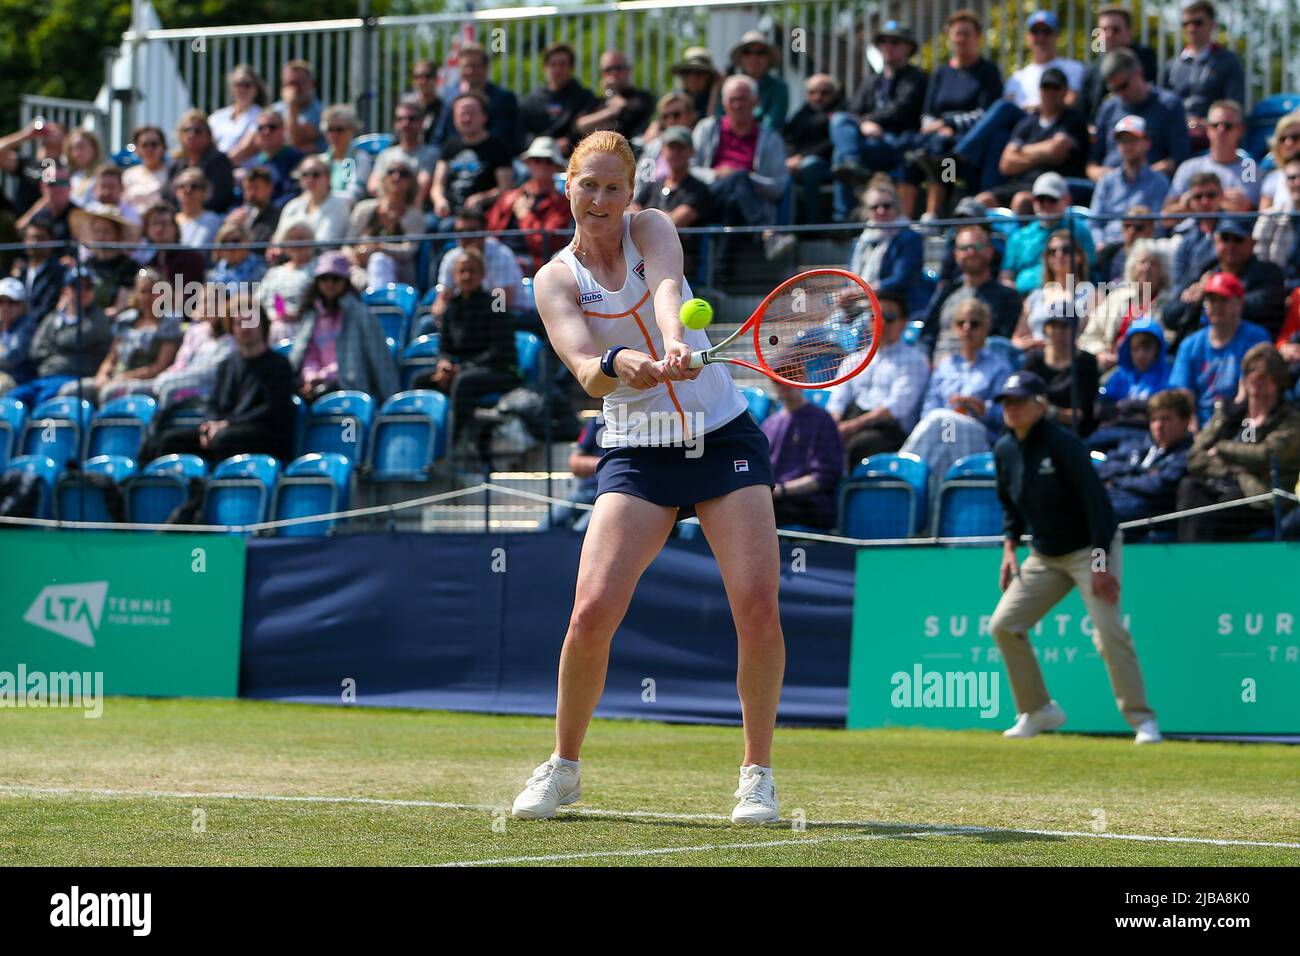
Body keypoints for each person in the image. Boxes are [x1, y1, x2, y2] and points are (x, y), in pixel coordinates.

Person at [515, 130, 785, 824]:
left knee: (757, 605)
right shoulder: (554, 279)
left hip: (720, 434)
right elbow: (584, 369)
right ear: (567, 188)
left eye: (614, 187)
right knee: (591, 611)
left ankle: (757, 776)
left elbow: (668, 290)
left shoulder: (653, 228)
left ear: (631, 193)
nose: (600, 200)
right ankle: (563, 766)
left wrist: (672, 343)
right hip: (638, 449)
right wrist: (618, 364)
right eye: (588, 185)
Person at [990, 370, 1161, 743]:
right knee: (1004, 625)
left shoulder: (1063, 444)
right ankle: (1038, 710)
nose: (1012, 408)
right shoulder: (1003, 449)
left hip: (1090, 548)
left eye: (1020, 401)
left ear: (1040, 405)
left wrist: (1100, 563)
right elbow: (1009, 506)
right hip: (1045, 554)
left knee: (1108, 632)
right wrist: (1009, 547)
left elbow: (1097, 505)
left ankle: (1142, 720)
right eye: (1006, 402)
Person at [149, 290, 297, 464]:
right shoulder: (227, 365)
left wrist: (227, 424)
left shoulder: (279, 364)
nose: (244, 327)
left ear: (262, 324)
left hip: (264, 434)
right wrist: (210, 424)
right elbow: (214, 403)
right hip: (226, 429)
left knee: (223, 439)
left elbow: (272, 410)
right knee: (169, 441)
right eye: (238, 323)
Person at [952, 12, 1084, 197]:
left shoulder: (1073, 68)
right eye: (1035, 31)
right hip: (1023, 128)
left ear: (1056, 36)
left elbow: (1070, 102)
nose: (1040, 37)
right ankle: (986, 199)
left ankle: (960, 155)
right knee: (999, 136)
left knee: (1003, 107)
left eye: (1046, 32)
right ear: (1028, 37)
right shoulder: (1017, 77)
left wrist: (1039, 108)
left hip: (1050, 123)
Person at [1177, 343, 1300, 540]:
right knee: (1189, 488)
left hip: (1259, 499)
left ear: (1278, 379)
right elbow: (1195, 457)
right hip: (1221, 486)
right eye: (1251, 371)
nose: (1255, 378)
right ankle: (1189, 558)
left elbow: (1267, 455)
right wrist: (1233, 469)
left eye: (1264, 374)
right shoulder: (1229, 414)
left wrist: (1221, 448)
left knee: (1210, 514)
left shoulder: (1290, 419)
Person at [902, 299, 1014, 493]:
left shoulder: (999, 366)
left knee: (942, 421)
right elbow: (929, 407)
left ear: (986, 327)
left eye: (974, 323)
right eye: (961, 323)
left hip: (980, 435)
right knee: (943, 429)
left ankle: (901, 476)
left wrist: (982, 409)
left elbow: (1006, 412)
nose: (967, 328)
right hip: (946, 433)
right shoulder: (945, 365)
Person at [905, 8, 1002, 223]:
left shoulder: (988, 72)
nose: (961, 39)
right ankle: (903, 221)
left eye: (967, 34)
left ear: (978, 37)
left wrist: (950, 124)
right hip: (937, 136)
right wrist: (938, 126)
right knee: (910, 160)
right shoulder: (940, 73)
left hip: (966, 142)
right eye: (957, 33)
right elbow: (928, 112)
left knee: (946, 160)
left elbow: (986, 114)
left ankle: (936, 213)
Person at [411, 246, 520, 436]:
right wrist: (444, 364)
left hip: (498, 371)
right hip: (463, 370)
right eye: (462, 271)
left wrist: (460, 369)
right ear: (454, 276)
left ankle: (452, 441)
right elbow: (445, 348)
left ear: (482, 274)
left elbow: (500, 352)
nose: (466, 276)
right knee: (420, 380)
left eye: (472, 271)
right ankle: (424, 439)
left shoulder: (496, 305)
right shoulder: (451, 308)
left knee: (462, 381)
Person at [690, 74, 794, 262]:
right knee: (738, 179)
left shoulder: (770, 138)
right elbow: (690, 169)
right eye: (733, 99)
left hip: (744, 203)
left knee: (734, 199)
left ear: (756, 102)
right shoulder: (706, 129)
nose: (738, 105)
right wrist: (715, 174)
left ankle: (721, 275)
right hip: (708, 196)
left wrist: (748, 179)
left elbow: (778, 186)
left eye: (743, 99)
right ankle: (768, 235)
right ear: (724, 103)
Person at [830, 21, 928, 221]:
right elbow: (853, 111)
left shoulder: (916, 78)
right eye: (883, 42)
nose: (888, 46)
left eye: (895, 42)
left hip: (895, 143)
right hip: (868, 142)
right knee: (840, 121)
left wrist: (869, 121)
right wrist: (864, 124)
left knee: (840, 154)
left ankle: (842, 217)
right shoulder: (871, 80)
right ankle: (853, 166)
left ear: (909, 47)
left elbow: (901, 110)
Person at [827, 289, 929, 465]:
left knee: (857, 446)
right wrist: (832, 426)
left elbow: (895, 409)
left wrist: (851, 427)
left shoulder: (914, 360)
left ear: (903, 323)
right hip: (852, 421)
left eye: (889, 318)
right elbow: (838, 401)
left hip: (889, 432)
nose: (881, 323)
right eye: (875, 317)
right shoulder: (854, 360)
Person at [975, 66, 1089, 214]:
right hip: (1022, 184)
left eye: (1055, 88)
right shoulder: (1027, 123)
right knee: (981, 201)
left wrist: (1021, 151)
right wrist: (1044, 152)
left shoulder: (1073, 119)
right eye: (1046, 87)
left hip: (1055, 185)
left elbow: (1056, 151)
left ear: (1065, 91)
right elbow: (1006, 164)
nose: (1050, 92)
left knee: (1021, 200)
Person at [59, 267, 181, 404]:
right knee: (70, 391)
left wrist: (125, 377)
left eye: (153, 291)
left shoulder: (169, 323)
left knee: (109, 393)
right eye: (143, 291)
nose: (147, 297)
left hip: (145, 381)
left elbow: (160, 366)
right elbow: (111, 358)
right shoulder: (126, 320)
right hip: (116, 378)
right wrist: (102, 375)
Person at [287, 251, 397, 403]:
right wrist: (311, 377)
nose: (329, 284)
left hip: (347, 386)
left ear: (345, 281)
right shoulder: (310, 315)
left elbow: (379, 362)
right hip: (313, 383)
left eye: (335, 278)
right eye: (324, 278)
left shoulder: (361, 315)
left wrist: (389, 400)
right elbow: (308, 354)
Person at [1162, 217, 1286, 346]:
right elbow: (1169, 316)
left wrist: (1211, 292)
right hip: (1199, 348)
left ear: (1252, 243)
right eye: (1225, 238)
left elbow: (1260, 308)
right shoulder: (1206, 269)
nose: (1231, 246)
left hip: (1246, 347)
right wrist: (1193, 302)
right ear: (1215, 241)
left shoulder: (1268, 272)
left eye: (1238, 239)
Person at [1169, 271, 1272, 424]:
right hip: (1201, 425)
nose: (1216, 306)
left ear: (1239, 304)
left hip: (1240, 420)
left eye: (1223, 300)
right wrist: (1192, 426)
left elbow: (1249, 394)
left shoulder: (1256, 338)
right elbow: (1183, 395)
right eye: (1211, 300)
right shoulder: (1189, 344)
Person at [10, 270, 112, 407]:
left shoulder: (98, 318)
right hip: (45, 377)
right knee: (13, 398)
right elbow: (36, 349)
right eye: (76, 286)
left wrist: (56, 344)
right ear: (65, 290)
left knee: (44, 399)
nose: (82, 291)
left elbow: (77, 339)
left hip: (75, 377)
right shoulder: (53, 318)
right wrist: (61, 350)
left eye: (87, 287)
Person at [921, 222, 1022, 361]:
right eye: (964, 248)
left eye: (977, 247)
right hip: (939, 367)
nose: (971, 252)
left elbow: (1003, 341)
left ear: (990, 251)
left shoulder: (1007, 296)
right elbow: (927, 335)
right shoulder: (947, 291)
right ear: (956, 254)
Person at [1095, 388, 1194, 529]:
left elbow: (1157, 485)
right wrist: (1139, 470)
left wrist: (1117, 480)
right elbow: (1104, 468)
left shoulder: (1188, 453)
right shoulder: (1137, 443)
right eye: (1154, 420)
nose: (1158, 426)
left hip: (1144, 514)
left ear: (1185, 421)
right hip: (1112, 497)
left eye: (1166, 419)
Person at [1088, 49, 1189, 183]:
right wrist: (1101, 174)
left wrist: (1140, 176)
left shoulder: (1169, 105)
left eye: (1123, 86)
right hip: (1109, 186)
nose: (1120, 93)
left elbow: (1179, 158)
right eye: (1114, 89)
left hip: (1152, 186)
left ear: (1138, 73)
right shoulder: (1108, 108)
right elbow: (1092, 163)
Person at [631, 127, 713, 281]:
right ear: (663, 151)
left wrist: (642, 216)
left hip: (681, 263)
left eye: (680, 148)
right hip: (643, 257)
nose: (675, 153)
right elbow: (630, 208)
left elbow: (673, 222)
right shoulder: (653, 185)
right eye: (671, 147)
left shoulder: (698, 189)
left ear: (691, 152)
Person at [762, 378, 843, 530]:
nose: (783, 383)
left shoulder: (822, 420)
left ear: (802, 378)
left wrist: (782, 490)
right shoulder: (769, 424)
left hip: (810, 506)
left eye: (791, 377)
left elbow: (824, 477)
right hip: (774, 503)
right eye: (777, 379)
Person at [1162, 1, 1245, 149]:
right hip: (1177, 135)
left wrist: (1206, 123)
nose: (1191, 28)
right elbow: (1165, 105)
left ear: (1212, 25)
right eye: (1186, 23)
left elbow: (1233, 104)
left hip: (1214, 135)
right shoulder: (1172, 65)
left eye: (1198, 22)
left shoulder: (1228, 61)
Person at [428, 92, 515, 231]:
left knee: (446, 228)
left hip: (481, 215)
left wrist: (482, 198)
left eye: (472, 113)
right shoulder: (449, 146)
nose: (466, 118)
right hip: (450, 212)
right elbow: (437, 185)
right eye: (462, 114)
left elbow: (506, 188)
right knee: (429, 224)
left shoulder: (498, 148)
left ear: (484, 117)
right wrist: (439, 201)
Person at [487, 137, 573, 274]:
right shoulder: (508, 198)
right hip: (499, 260)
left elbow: (546, 244)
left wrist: (525, 216)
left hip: (534, 266)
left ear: (556, 167)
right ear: (529, 163)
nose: (542, 165)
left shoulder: (562, 204)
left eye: (548, 161)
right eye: (537, 160)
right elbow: (490, 234)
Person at [1000, 172, 1094, 295]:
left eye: (1051, 199)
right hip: (1023, 298)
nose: (1045, 205)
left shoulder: (1079, 231)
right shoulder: (1018, 237)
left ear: (1067, 200)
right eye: (1040, 200)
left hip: (1068, 295)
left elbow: (1088, 270)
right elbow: (1006, 276)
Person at [1080, 243, 1169, 371]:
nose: (1147, 268)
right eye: (1142, 262)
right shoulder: (1117, 297)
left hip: (1147, 369)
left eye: (1153, 264)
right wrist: (1100, 353)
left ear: (1162, 271)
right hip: (1107, 365)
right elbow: (1089, 335)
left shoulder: (1167, 303)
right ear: (1133, 267)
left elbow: (1167, 340)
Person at [1088, 116, 1170, 249]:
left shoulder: (1159, 182)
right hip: (1109, 247)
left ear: (1147, 142)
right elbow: (1095, 223)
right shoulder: (1106, 181)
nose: (1127, 145)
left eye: (1133, 140)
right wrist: (1099, 243)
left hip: (1144, 248)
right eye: (1122, 141)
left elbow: (1158, 226)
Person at [1163, 100, 1257, 213]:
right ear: (1207, 129)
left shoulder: (1249, 167)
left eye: (1228, 126)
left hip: (1233, 224)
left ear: (1240, 130)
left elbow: (1256, 210)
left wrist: (1248, 206)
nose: (1221, 130)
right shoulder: (1188, 167)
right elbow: (1165, 216)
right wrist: (1187, 205)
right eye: (1215, 125)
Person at [848, 180, 926, 316]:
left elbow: (901, 279)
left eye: (886, 206)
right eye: (874, 207)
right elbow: (850, 279)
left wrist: (863, 291)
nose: (881, 211)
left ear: (897, 207)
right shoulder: (860, 242)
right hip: (860, 309)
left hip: (897, 312)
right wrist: (847, 296)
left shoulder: (910, 238)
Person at [346, 155, 425, 289]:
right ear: (383, 178)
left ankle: (379, 299)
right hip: (359, 270)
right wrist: (353, 256)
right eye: (391, 172)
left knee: (379, 261)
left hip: (399, 276)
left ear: (411, 182)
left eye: (403, 174)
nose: (396, 177)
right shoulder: (364, 209)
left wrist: (378, 248)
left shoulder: (415, 216)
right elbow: (347, 244)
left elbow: (409, 250)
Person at [1011, 230, 1095, 352]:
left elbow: (1095, 336)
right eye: (1052, 251)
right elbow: (1016, 339)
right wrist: (1027, 344)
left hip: (1074, 356)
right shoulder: (1035, 296)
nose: (1059, 254)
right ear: (1047, 259)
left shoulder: (1092, 294)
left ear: (1079, 257)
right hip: (1036, 356)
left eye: (1066, 250)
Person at [429, 42, 521, 151]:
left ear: (486, 67)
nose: (470, 71)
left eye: (475, 66)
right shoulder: (450, 97)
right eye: (466, 66)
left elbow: (507, 135)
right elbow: (441, 136)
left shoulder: (503, 99)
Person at [1020, 314, 1101, 436]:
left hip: (1074, 434)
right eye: (1053, 326)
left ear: (1075, 330)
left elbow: (1079, 416)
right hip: (1036, 429)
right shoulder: (1033, 360)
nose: (1057, 332)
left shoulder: (1087, 362)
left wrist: (1047, 410)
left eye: (1063, 327)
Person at [430, 208, 524, 313]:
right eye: (460, 231)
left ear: (484, 231)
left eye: (471, 231)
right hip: (472, 315)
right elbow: (443, 299)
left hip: (515, 315)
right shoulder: (451, 258)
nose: (465, 236)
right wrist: (439, 312)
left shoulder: (502, 255)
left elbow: (502, 305)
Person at [1080, 5, 1159, 123]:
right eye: (1103, 30)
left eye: (1115, 30)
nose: (1109, 35)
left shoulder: (1144, 58)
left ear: (1129, 32)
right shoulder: (1092, 70)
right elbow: (1085, 111)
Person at [518, 42, 598, 158]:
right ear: (545, 67)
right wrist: (543, 146)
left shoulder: (585, 98)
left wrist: (571, 142)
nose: (557, 69)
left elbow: (590, 132)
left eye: (562, 64)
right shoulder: (530, 102)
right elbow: (521, 135)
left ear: (571, 67)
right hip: (536, 161)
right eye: (553, 64)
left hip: (574, 159)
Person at [782, 75, 844, 224]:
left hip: (827, 164)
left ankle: (812, 223)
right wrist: (790, 158)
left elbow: (832, 143)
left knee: (811, 165)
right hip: (796, 162)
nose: (818, 96)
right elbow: (787, 140)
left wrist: (802, 156)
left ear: (834, 94)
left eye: (824, 92)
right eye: (812, 92)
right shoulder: (800, 115)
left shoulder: (840, 114)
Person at [67, 203, 137, 314]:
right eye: (97, 231)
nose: (101, 237)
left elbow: (120, 306)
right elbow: (68, 301)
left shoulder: (130, 268)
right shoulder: (84, 265)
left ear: (118, 234)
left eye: (106, 231)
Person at [367, 98, 439, 203]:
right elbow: (372, 187)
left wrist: (391, 188)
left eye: (411, 119)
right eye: (400, 119)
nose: (405, 123)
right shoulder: (386, 154)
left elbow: (422, 188)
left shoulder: (431, 154)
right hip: (385, 206)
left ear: (422, 122)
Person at [574, 50, 655, 141]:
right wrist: (611, 112)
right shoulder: (596, 101)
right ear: (602, 74)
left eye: (618, 68)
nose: (614, 73)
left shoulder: (642, 97)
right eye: (608, 69)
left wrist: (612, 93)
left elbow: (630, 116)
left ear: (628, 71)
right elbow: (580, 125)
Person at [164, 111, 235, 214]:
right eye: (186, 130)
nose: (191, 134)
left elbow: (219, 199)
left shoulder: (219, 161)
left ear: (208, 135)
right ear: (180, 134)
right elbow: (168, 198)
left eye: (197, 131)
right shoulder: (175, 164)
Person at [720, 31, 789, 133]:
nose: (754, 58)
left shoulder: (779, 88)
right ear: (740, 58)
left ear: (768, 58)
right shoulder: (730, 87)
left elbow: (771, 124)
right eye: (747, 52)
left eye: (760, 53)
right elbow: (720, 119)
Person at [259, 223, 317, 341]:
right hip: (271, 325)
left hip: (304, 327)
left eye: (301, 238)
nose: (297, 243)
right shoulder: (274, 272)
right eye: (292, 239)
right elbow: (259, 300)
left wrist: (296, 315)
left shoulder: (319, 269)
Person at [274, 156, 350, 244]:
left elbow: (326, 242)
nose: (310, 179)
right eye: (305, 174)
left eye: (316, 174)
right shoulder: (292, 206)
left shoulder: (338, 204)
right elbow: (278, 239)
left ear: (328, 177)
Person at [550, 414, 605, 531]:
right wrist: (610, 464)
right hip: (587, 491)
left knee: (582, 530)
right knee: (548, 521)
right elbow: (574, 463)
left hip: (612, 492)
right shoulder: (598, 421)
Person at [209, 64, 268, 164]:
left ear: (255, 88)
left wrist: (217, 165)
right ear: (231, 87)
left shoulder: (261, 116)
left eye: (247, 85)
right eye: (238, 84)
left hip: (243, 171)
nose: (242, 89)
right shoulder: (217, 116)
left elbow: (246, 148)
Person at [1252, 156, 1300, 276]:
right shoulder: (1270, 217)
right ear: (1285, 183)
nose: (1297, 183)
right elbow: (1260, 257)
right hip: (1279, 282)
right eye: (1292, 178)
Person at [11, 219, 64, 324]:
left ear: (51, 241)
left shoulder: (58, 272)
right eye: (31, 238)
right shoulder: (20, 271)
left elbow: (46, 308)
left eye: (40, 238)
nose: (35, 242)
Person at [269, 60, 326, 155]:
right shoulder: (275, 110)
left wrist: (292, 105)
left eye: (300, 82)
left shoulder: (321, 112)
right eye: (291, 83)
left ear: (311, 84)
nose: (295, 88)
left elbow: (296, 139)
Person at [320, 103, 371, 205]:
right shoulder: (322, 160)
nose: (334, 134)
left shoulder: (359, 158)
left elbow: (353, 196)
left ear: (352, 130)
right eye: (330, 129)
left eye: (340, 129)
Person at [1093, 204, 1156, 285]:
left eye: (1138, 227)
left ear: (1151, 229)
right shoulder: (1110, 254)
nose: (1131, 231)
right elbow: (1099, 286)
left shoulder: (1157, 258)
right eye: (1127, 225)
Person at [251, 111, 305, 204]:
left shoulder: (297, 159)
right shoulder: (257, 163)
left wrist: (267, 209)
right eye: (261, 128)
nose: (266, 132)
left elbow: (294, 195)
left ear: (283, 130)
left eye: (272, 127)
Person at [222, 165, 282, 244]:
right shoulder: (238, 215)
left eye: (256, 188)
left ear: (269, 188)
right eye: (248, 188)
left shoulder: (278, 215)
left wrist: (243, 230)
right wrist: (229, 226)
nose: (251, 193)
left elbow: (261, 243)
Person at [669, 48, 723, 131]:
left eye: (699, 72)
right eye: (687, 72)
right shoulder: (678, 97)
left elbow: (710, 126)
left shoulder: (721, 100)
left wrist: (715, 90)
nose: (692, 77)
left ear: (709, 76)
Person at [121, 126, 171, 216]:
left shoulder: (171, 172)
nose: (149, 149)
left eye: (154, 144)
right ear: (137, 149)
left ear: (163, 147)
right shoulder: (128, 175)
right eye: (144, 145)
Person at [0, 277, 38, 394]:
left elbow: (12, 358)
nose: (5, 307)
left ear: (23, 305)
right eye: (1, 302)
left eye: (12, 302)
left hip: (20, 380)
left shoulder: (27, 326)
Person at [171, 169, 224, 252]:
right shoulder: (170, 220)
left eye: (193, 186)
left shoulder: (212, 220)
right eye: (182, 185)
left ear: (205, 191)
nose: (187, 190)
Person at [1259, 110, 1300, 212]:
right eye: (1283, 138)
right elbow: (1263, 217)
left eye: (1295, 137)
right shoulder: (1272, 179)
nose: (1288, 142)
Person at [207, 222, 267, 289]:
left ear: (247, 241)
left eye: (235, 241)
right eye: (224, 242)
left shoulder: (260, 267)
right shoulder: (215, 272)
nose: (229, 246)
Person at [63, 129, 103, 206]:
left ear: (94, 148)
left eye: (81, 147)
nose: (76, 152)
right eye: (72, 148)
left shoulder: (102, 174)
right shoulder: (66, 175)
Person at [408, 60, 443, 146]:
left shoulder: (445, 109)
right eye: (418, 77)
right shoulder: (407, 109)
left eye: (428, 76)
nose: (423, 81)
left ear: (436, 79)